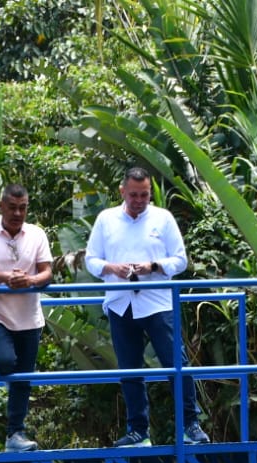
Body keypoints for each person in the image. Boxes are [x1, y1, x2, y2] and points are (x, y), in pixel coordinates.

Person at [85, 166, 209, 447]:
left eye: (144, 195)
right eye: (134, 195)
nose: (139, 200)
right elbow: (91, 260)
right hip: (120, 303)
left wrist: (152, 266)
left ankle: (191, 425)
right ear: (122, 192)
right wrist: (112, 268)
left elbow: (180, 260)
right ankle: (138, 430)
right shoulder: (106, 219)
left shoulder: (163, 218)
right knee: (130, 369)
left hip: (157, 303)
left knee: (176, 364)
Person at [0, 183, 54, 452]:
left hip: (29, 317)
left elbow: (47, 272)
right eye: (12, 208)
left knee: (23, 379)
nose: (18, 213)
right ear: (1, 207)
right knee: (7, 362)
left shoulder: (37, 234)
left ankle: (14, 434)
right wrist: (6, 278)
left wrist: (30, 280)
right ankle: (0, 376)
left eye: (23, 208)